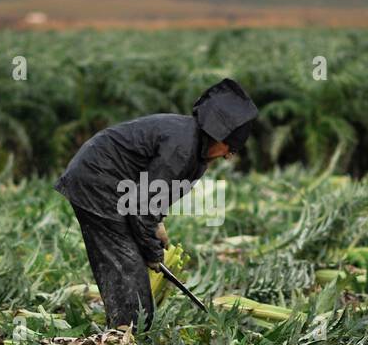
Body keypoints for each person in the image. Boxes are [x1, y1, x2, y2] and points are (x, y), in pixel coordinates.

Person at [55, 78, 258, 331]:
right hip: (97, 181)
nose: (228, 156)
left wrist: (157, 224)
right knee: (125, 263)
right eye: (231, 148)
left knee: (128, 260)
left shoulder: (195, 151)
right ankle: (124, 337)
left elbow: (156, 194)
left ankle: (128, 333)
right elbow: (142, 205)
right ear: (218, 136)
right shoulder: (182, 148)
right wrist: (152, 253)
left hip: (113, 186)